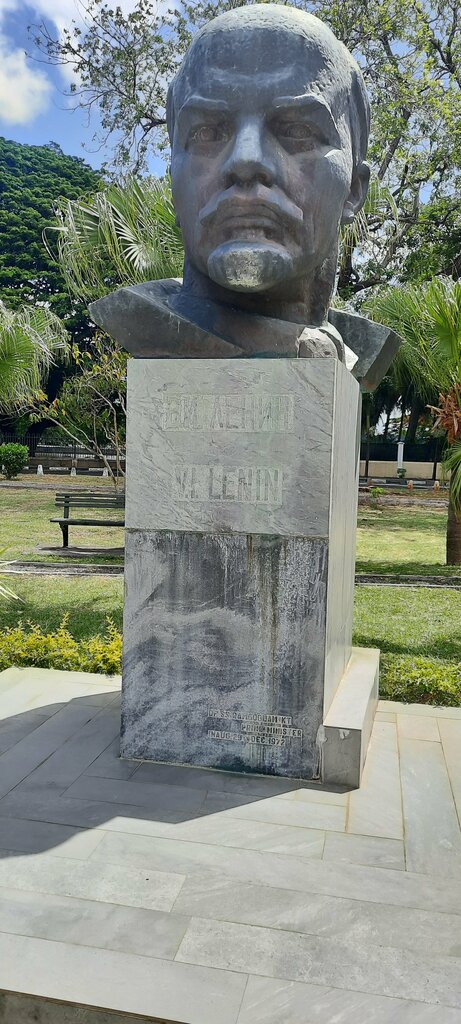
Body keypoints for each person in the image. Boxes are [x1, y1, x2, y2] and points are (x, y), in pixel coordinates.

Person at [90, 4, 398, 383]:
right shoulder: (141, 322)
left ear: (353, 189)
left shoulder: (350, 350)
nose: (246, 161)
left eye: (297, 131)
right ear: (174, 186)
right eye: (207, 133)